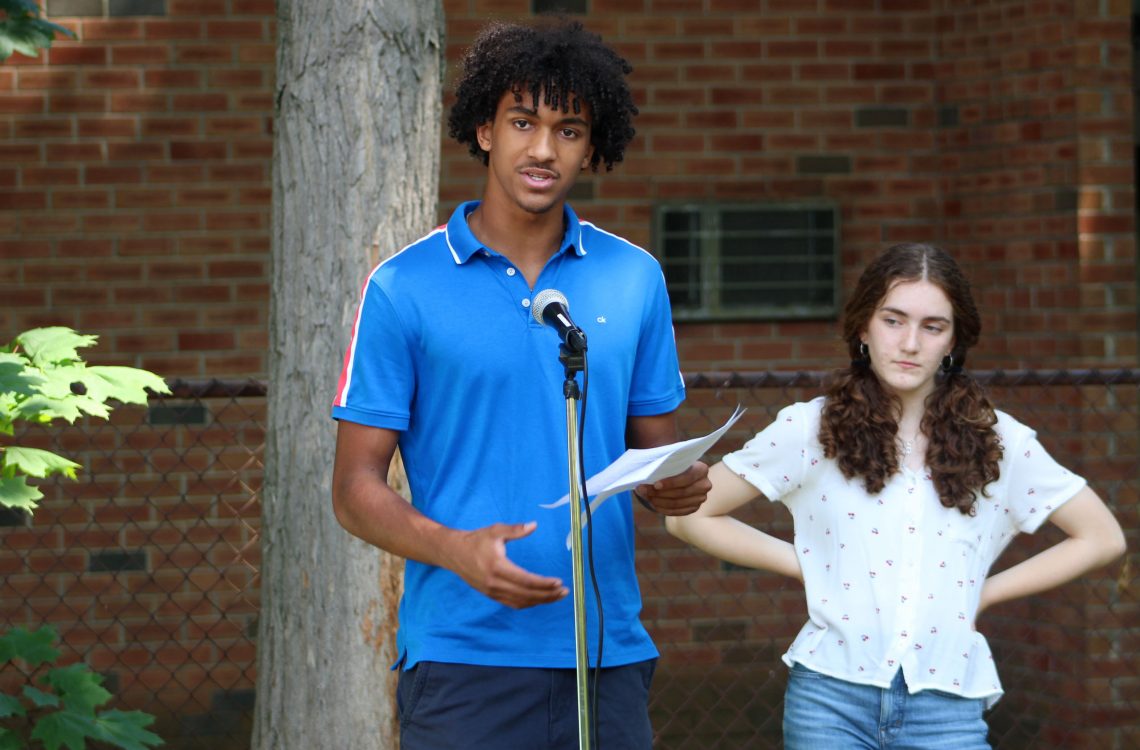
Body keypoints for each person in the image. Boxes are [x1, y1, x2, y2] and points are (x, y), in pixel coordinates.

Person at [330, 17, 710, 750]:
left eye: (569, 130)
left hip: (605, 657)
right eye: (523, 122)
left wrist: (675, 486)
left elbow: (655, 463)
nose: (543, 149)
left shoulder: (635, 277)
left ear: (591, 147)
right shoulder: (403, 286)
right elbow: (353, 489)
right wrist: (455, 549)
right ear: (484, 130)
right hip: (462, 660)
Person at [666, 243, 1126, 749]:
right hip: (829, 701)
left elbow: (1102, 537)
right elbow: (689, 516)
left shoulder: (1001, 441)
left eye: (933, 327)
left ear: (952, 341)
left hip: (948, 704)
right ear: (864, 328)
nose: (910, 342)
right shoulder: (810, 428)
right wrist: (809, 565)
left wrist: (983, 591)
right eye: (893, 320)